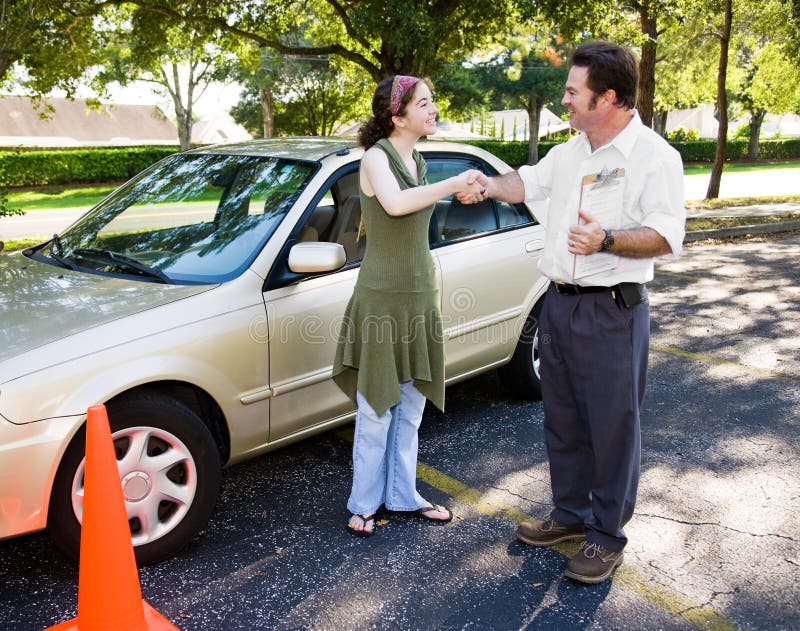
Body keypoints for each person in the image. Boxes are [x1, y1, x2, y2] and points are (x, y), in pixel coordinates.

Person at [458, 41, 685, 583]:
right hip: (558, 307)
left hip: (612, 313)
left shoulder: (656, 157)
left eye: (572, 92)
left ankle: (605, 537)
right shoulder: (573, 150)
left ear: (607, 98)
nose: (564, 101)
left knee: (612, 428)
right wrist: (489, 185)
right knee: (563, 421)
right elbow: (528, 181)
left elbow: (666, 236)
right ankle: (569, 514)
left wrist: (605, 239)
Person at [332, 75, 485, 537]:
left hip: (419, 295)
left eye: (432, 101)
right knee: (377, 406)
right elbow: (396, 206)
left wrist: (460, 190)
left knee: (411, 406)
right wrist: (452, 182)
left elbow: (417, 205)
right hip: (381, 298)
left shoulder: (416, 158)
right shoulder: (376, 157)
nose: (433, 109)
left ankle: (401, 496)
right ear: (397, 116)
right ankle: (363, 502)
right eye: (424, 103)